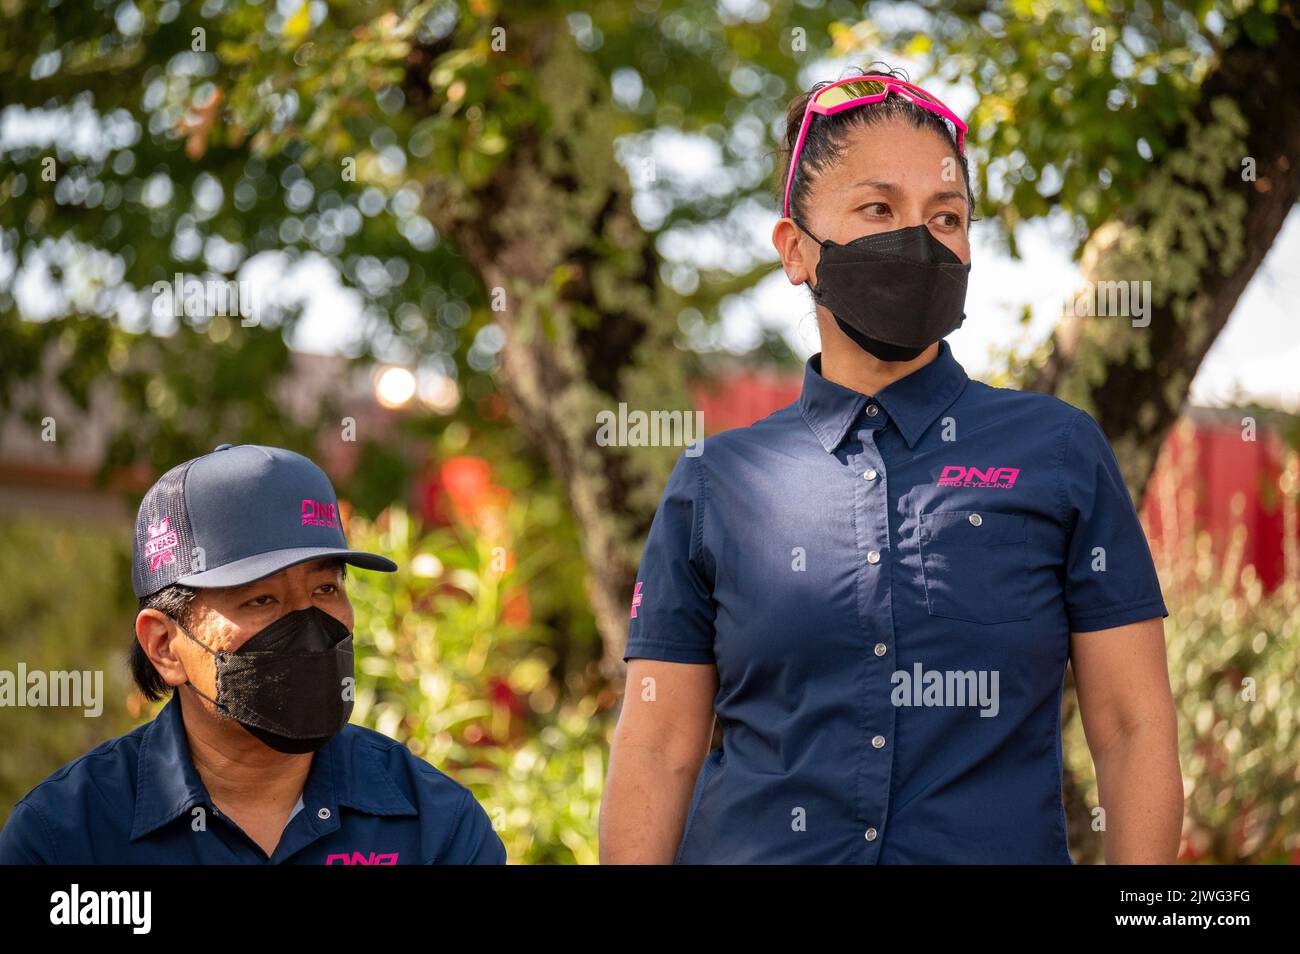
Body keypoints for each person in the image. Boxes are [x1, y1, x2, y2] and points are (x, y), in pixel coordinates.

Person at [601, 67, 1183, 864]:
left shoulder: (1058, 452)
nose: (919, 238)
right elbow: (659, 745)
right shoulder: (715, 482)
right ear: (796, 250)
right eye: (878, 208)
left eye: (946, 217)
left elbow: (1133, 727)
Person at [0, 443, 505, 864]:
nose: (307, 625)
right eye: (261, 599)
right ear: (163, 646)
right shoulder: (66, 840)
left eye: (326, 590)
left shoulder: (436, 827)